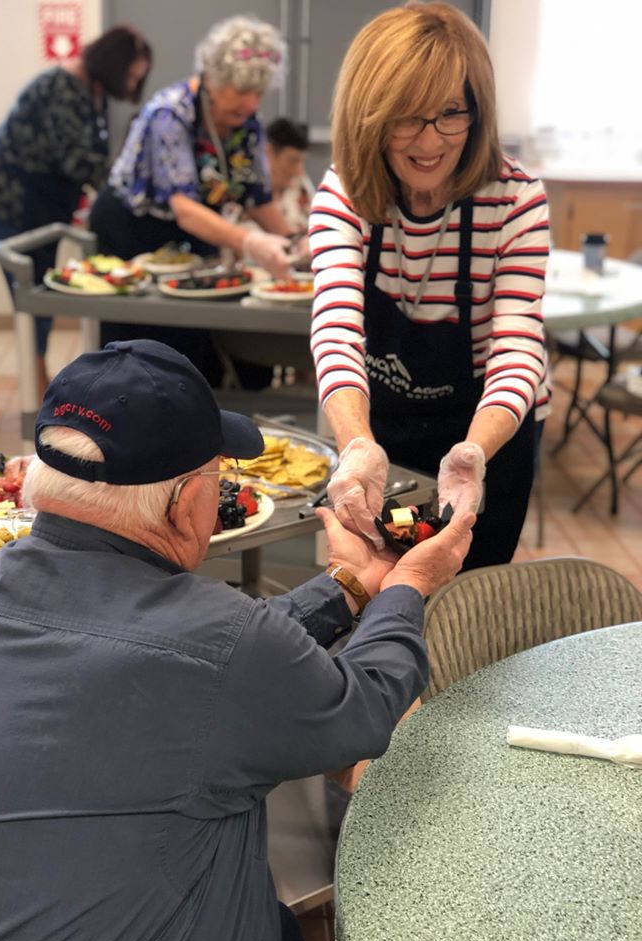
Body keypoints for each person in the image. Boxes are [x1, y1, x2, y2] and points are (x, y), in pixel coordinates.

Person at [0, 339, 474, 941]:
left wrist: (348, 587)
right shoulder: (219, 642)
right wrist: (408, 585)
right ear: (186, 504)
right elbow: (364, 711)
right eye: (220, 477)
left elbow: (208, 656)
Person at [309, 1, 550, 570]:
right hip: (382, 429)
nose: (430, 141)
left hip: (489, 433)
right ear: (371, 114)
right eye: (408, 117)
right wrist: (357, 445)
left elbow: (518, 348)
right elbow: (336, 330)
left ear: (476, 111)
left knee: (471, 597)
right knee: (379, 591)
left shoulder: (514, 200)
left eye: (450, 113)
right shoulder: (345, 194)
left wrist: (474, 452)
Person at [89, 15, 297, 381]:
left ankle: (195, 409)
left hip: (193, 227)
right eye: (240, 90)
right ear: (212, 77)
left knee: (195, 342)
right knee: (141, 346)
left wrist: (295, 243)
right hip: (132, 226)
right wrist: (251, 242)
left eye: (258, 93)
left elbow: (257, 198)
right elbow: (184, 208)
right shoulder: (171, 113)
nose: (250, 103)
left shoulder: (246, 122)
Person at [0, 25, 153, 398]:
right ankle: (38, 393)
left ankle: (41, 382)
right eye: (131, 76)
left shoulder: (92, 89)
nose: (133, 85)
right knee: (31, 294)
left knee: (41, 291)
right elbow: (78, 160)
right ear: (114, 64)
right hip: (9, 197)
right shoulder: (62, 87)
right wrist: (127, 191)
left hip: (42, 201)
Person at [265, 117, 315, 236]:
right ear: (268, 153)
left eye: (301, 162)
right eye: (292, 161)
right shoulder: (247, 193)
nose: (299, 172)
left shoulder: (301, 186)